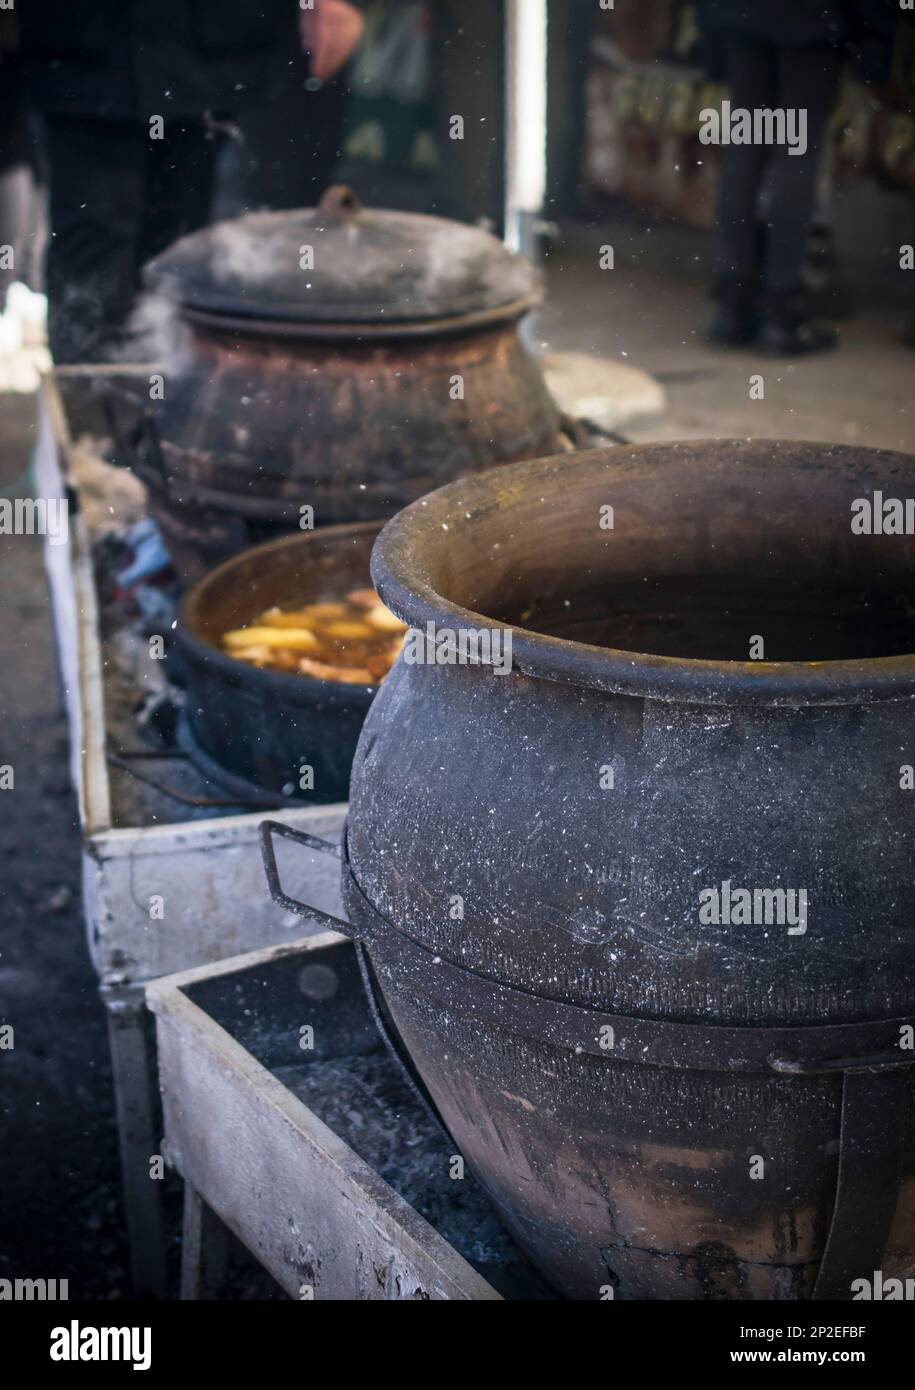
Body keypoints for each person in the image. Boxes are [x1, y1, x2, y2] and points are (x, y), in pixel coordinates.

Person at [17, 0, 364, 363]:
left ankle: (171, 403)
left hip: (211, 50)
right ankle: (86, 407)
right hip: (84, 49)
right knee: (90, 268)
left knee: (186, 259)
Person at [699, 1, 897, 354]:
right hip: (811, 19)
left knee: (746, 149)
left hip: (740, 17)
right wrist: (876, 44)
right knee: (796, 152)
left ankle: (734, 307)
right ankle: (781, 313)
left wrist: (710, 24)